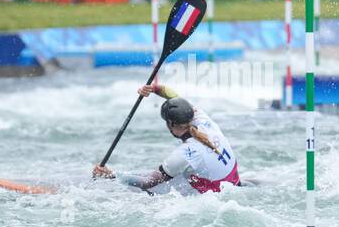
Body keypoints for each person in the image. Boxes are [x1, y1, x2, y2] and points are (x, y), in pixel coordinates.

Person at [92, 83, 240, 194]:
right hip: (234, 183)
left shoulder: (183, 154)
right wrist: (153, 88)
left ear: (171, 124)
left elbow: (147, 183)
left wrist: (112, 175)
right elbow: (175, 97)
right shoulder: (202, 119)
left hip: (215, 197)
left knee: (141, 191)